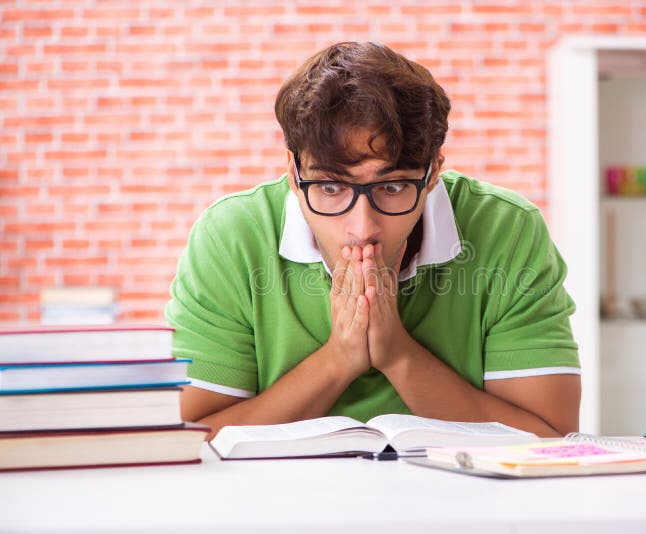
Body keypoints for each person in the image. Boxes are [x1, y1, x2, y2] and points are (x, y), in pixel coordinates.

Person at [166, 42, 581, 439]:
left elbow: (550, 437)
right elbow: (188, 437)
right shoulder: (231, 237)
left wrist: (399, 356)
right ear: (294, 173)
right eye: (330, 189)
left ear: (432, 173)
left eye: (393, 187)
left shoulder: (506, 228)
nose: (362, 227)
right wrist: (338, 360)